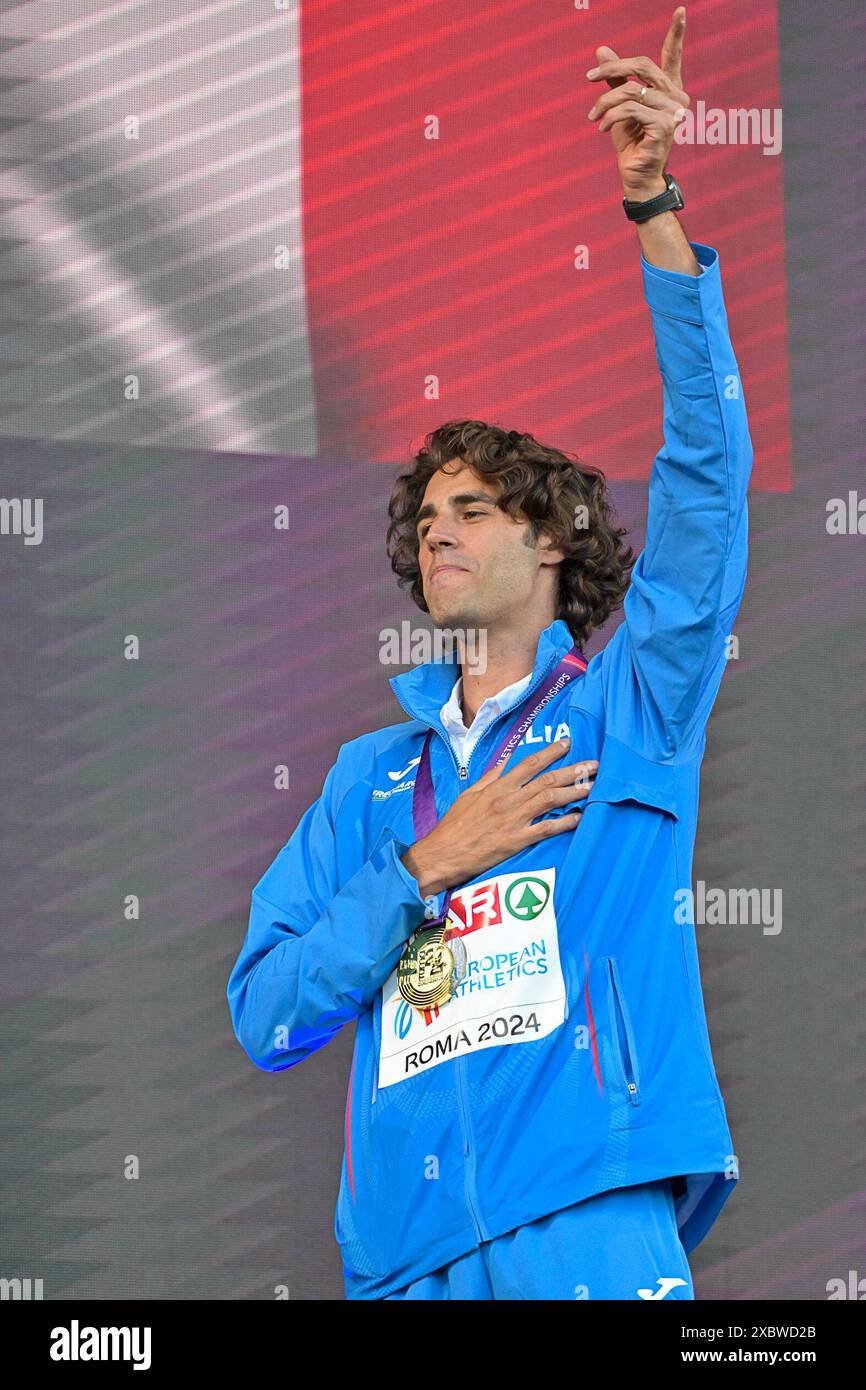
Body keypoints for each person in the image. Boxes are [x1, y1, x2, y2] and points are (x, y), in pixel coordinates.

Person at [227, 5, 752, 1300]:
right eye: (426, 518)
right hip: (402, 1263)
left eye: (474, 510)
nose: (437, 533)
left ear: (553, 545)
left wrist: (652, 209)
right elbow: (269, 1015)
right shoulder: (366, 785)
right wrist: (427, 863)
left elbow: (705, 478)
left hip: (585, 1220)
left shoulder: (633, 703)